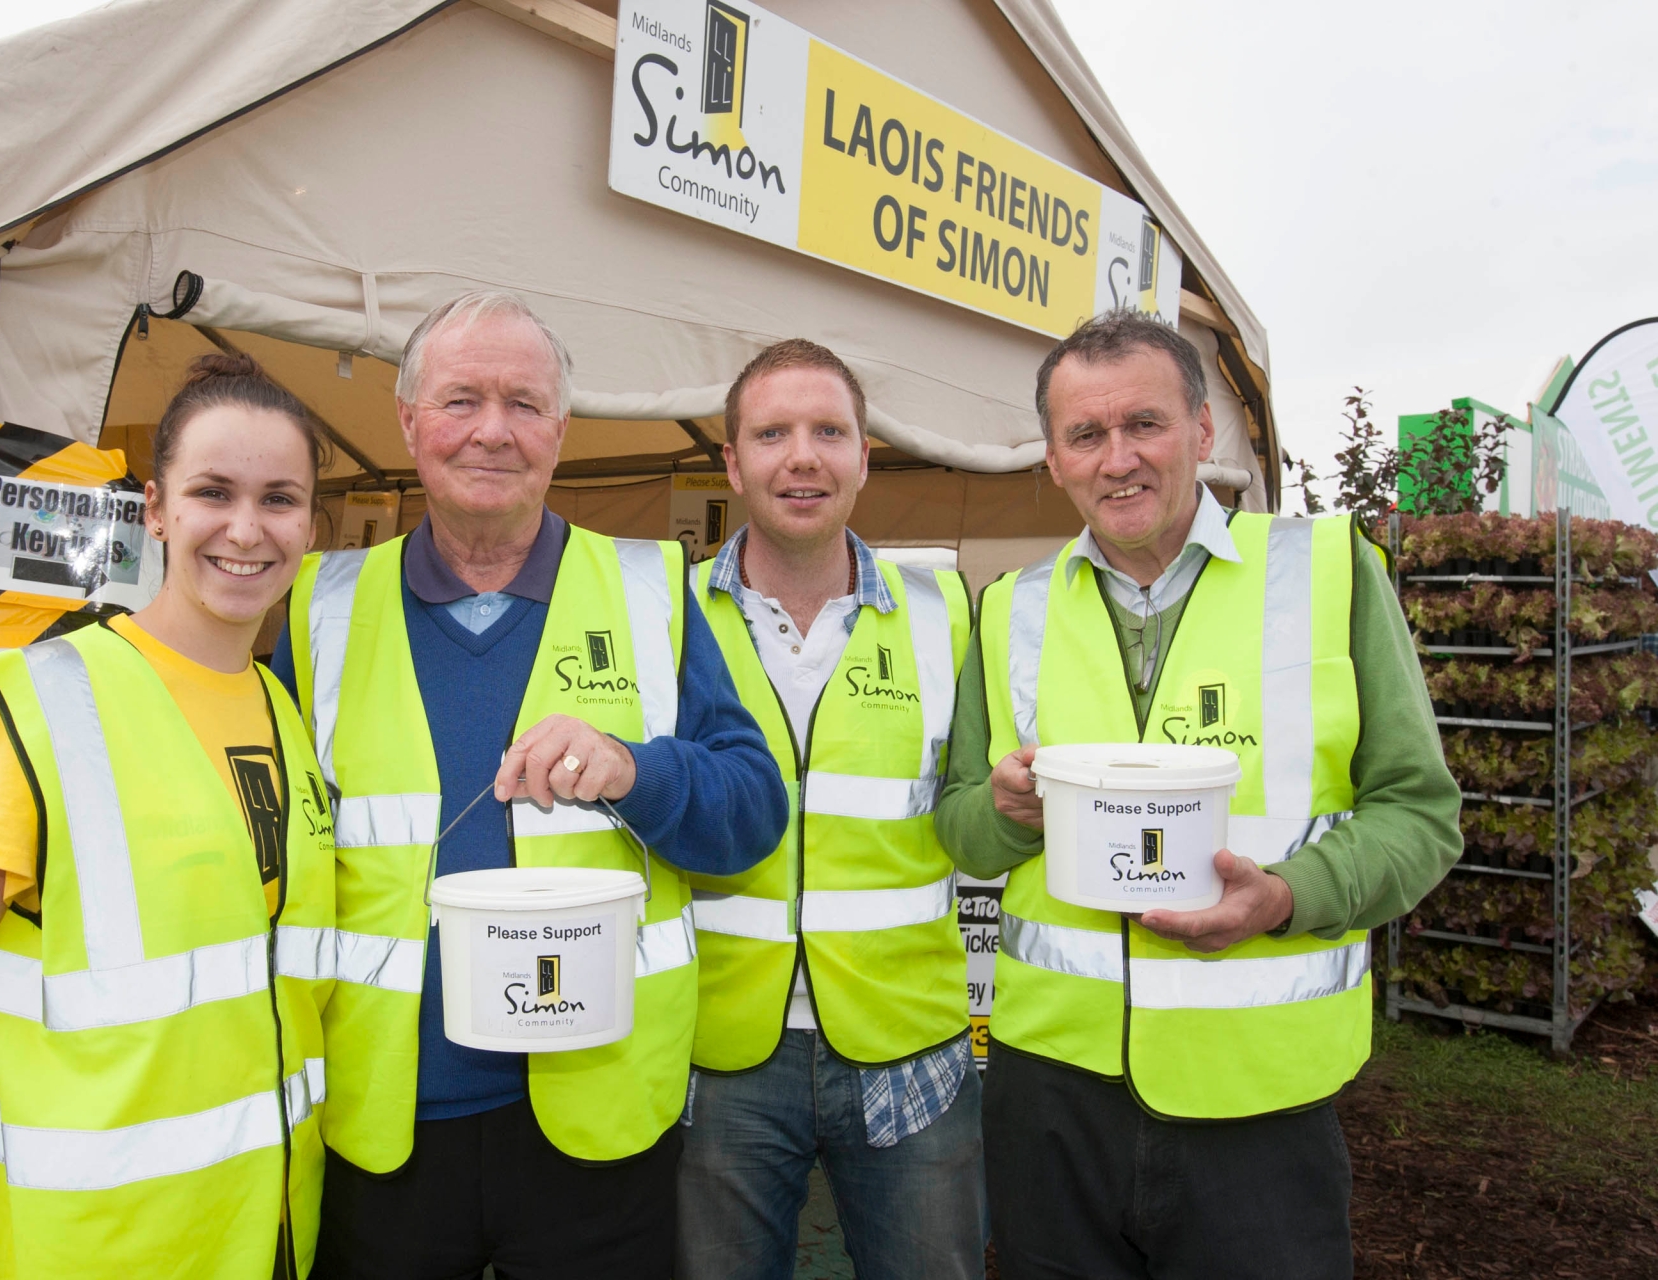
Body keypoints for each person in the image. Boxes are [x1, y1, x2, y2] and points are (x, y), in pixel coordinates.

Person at [269, 290, 788, 1280]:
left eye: (523, 403)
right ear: (409, 421)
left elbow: (753, 811)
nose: (492, 431)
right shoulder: (316, 608)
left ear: (560, 428)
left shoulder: (650, 590)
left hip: (594, 1120)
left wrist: (637, 768)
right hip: (385, 1122)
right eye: (462, 400)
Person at [934, 309, 1461, 1279]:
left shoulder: (1328, 573)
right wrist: (1004, 813)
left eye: (1146, 423)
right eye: (1086, 435)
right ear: (1051, 457)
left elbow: (1421, 813)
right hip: (1053, 1093)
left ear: (1204, 429)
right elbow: (961, 824)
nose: (1117, 457)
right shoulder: (1012, 607)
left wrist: (1292, 891)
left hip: (1257, 1103)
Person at [0, 353, 339, 1280]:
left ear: (311, 526)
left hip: (266, 1232)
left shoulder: (285, 710)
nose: (247, 529)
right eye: (214, 491)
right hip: (87, 1248)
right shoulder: (44, 704)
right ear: (157, 510)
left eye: (280, 499)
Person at [675, 340, 984, 1280]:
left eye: (828, 432)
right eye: (771, 433)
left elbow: (977, 816)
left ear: (863, 455)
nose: (800, 457)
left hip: (908, 1049)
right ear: (732, 463)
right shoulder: (665, 616)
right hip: (718, 1053)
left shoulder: (947, 615)